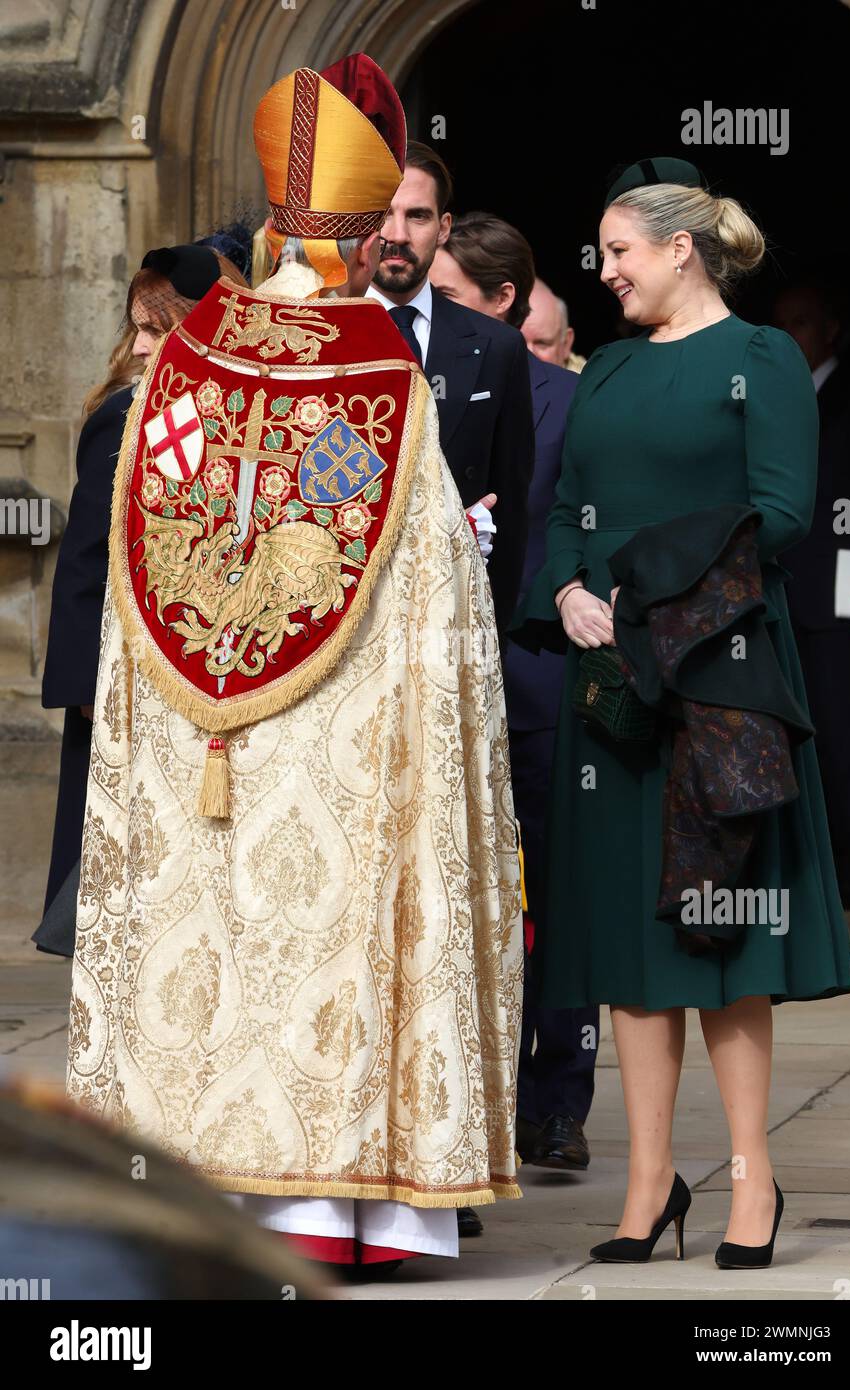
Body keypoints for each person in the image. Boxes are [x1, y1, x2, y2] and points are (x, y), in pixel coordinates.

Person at [64, 53, 523, 1279]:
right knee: (321, 938)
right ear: (361, 230)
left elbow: (138, 574)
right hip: (340, 745)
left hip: (192, 747)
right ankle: (345, 1209)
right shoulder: (383, 379)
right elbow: (439, 617)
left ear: (271, 222)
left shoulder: (183, 359)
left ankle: (196, 1201)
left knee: (205, 948)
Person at [509, 157, 850, 1270]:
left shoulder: (759, 360)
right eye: (600, 252)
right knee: (628, 941)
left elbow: (780, 515)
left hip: (718, 677)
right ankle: (647, 1183)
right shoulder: (605, 372)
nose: (602, 270)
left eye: (618, 250)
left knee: (724, 937)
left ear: (678, 249)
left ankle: (750, 1179)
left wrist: (634, 587)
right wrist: (566, 589)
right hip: (614, 687)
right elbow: (561, 505)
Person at [432, 211, 596, 1172]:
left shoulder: (570, 404)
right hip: (429, 687)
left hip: (534, 688)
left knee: (552, 903)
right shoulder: (407, 387)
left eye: (450, 296)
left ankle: (555, 1103)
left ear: (503, 303)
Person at [35, 243, 248, 958]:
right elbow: (84, 565)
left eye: (158, 328)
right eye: (138, 328)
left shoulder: (241, 412)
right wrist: (88, 691)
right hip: (122, 683)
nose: (140, 346)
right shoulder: (127, 415)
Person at [366, 142, 535, 641]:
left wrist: (487, 639)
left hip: (453, 625)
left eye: (417, 216)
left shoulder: (498, 347)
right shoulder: (319, 333)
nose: (396, 235)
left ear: (443, 228)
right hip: (347, 631)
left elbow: (510, 508)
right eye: (383, 215)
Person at [773, 281, 850, 907]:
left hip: (841, 596)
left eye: (804, 323)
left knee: (847, 735)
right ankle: (830, 866)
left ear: (831, 329)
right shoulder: (794, 398)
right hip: (794, 595)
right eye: (783, 324)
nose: (793, 336)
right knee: (809, 738)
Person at [522, 278, 586, 373]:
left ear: (566, 344)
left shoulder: (592, 385)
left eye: (541, 344)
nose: (528, 358)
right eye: (518, 342)